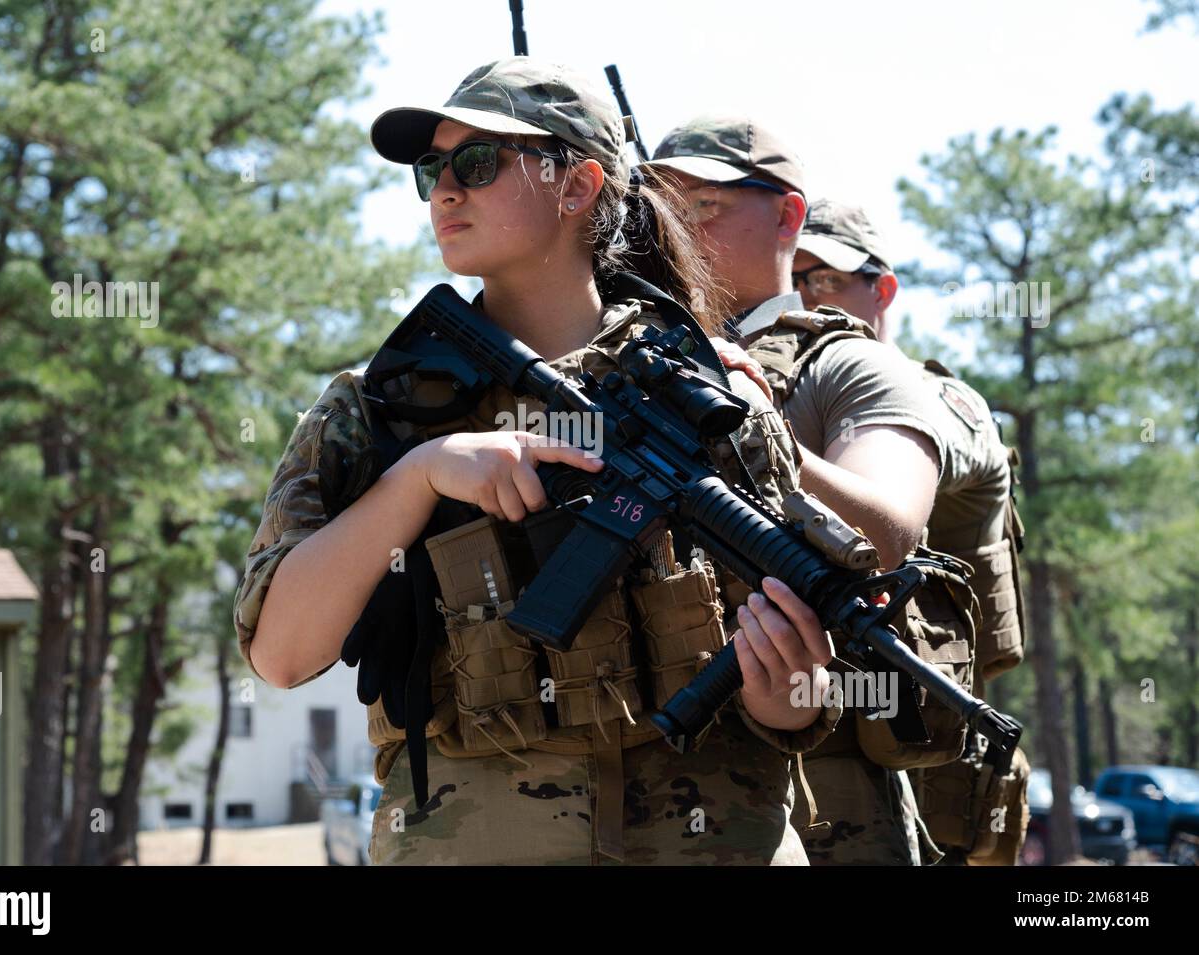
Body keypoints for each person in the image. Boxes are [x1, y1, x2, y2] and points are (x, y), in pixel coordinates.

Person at [233, 59, 842, 866]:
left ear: (577, 185)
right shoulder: (378, 409)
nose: (446, 190)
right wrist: (419, 476)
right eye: (432, 171)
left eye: (478, 162)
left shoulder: (710, 391)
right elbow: (280, 653)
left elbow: (806, 698)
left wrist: (790, 692)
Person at [644, 118, 962, 866]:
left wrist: (759, 430)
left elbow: (888, 532)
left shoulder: (846, 362)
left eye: (707, 203)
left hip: (833, 795)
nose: (677, 226)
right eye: (662, 204)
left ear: (789, 214)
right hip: (664, 779)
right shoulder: (633, 352)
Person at [790, 198, 1031, 866]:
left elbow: (889, 503)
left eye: (825, 278)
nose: (805, 297)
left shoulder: (935, 402)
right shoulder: (795, 385)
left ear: (883, 289)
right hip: (817, 735)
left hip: (926, 747)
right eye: (793, 276)